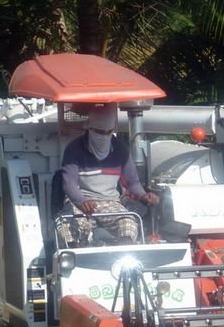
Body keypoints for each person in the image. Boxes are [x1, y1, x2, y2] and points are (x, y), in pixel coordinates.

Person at [58, 103, 159, 246]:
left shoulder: (120, 148)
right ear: (89, 128)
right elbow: (69, 183)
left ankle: (125, 256)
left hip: (110, 202)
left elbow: (132, 182)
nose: (104, 137)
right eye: (99, 132)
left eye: (108, 132)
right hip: (79, 202)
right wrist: (82, 201)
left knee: (128, 222)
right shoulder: (74, 149)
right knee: (67, 227)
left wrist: (143, 195)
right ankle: (75, 257)